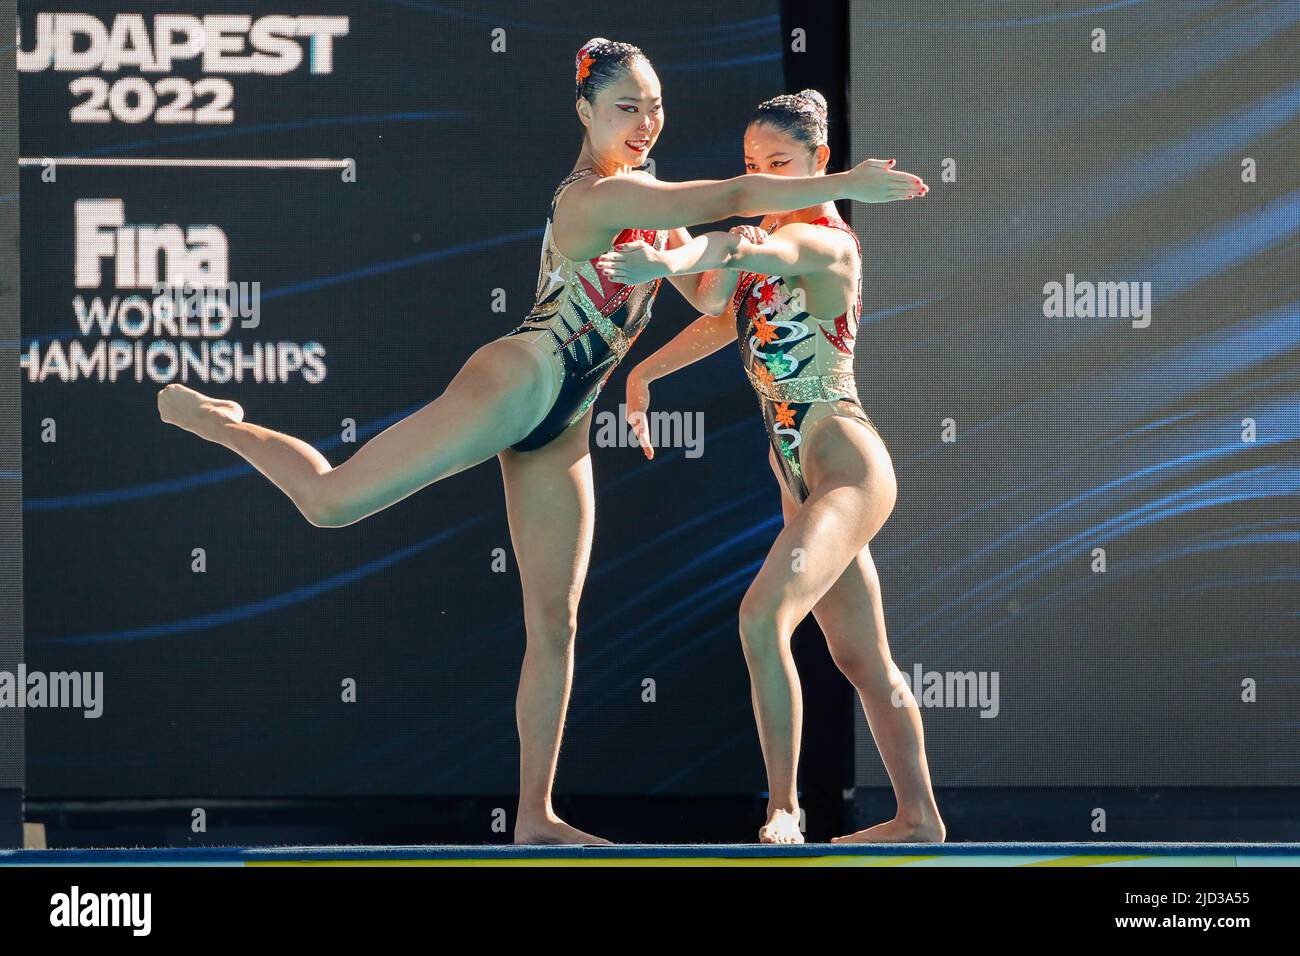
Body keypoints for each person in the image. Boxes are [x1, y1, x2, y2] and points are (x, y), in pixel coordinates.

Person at [156, 39, 927, 843]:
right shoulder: (589, 199)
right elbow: (728, 194)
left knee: (555, 621)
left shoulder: (647, 199)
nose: (645, 121)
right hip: (520, 379)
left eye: (654, 105)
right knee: (329, 502)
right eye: (625, 106)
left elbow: (708, 287)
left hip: (567, 422)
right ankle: (220, 421)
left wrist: (674, 329)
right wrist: (845, 185)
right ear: (586, 112)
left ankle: (534, 817)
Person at [599, 90, 944, 844]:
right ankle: (919, 819)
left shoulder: (825, 244)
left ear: (820, 165)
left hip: (846, 466)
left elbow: (739, 251)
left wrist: (672, 252)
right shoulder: (768, 239)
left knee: (762, 619)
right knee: (861, 658)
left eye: (780, 165)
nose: (766, 179)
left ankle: (784, 808)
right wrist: (644, 373)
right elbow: (721, 310)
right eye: (754, 167)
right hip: (798, 477)